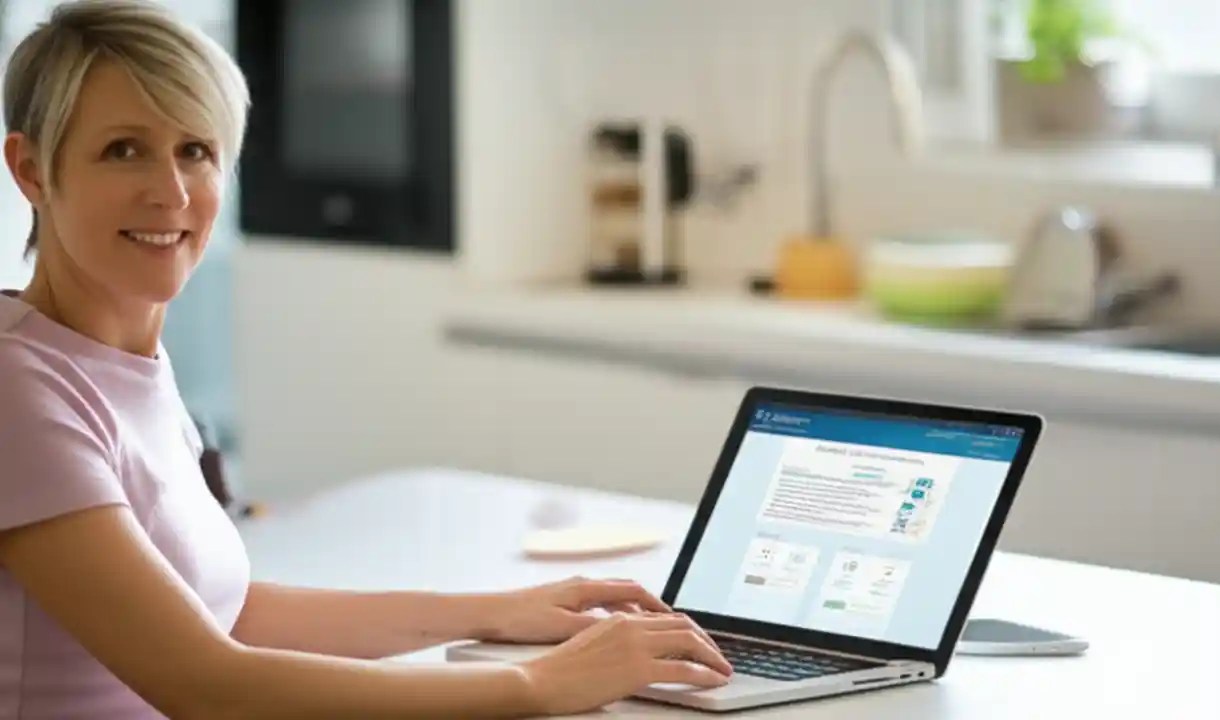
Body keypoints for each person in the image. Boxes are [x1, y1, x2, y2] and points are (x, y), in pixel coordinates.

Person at [0, 2, 731, 717]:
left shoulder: (122, 363)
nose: (172, 192)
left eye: (196, 149)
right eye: (122, 150)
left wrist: (502, 613)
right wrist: (540, 687)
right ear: (31, 170)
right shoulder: (19, 389)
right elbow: (207, 685)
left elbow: (228, 611)